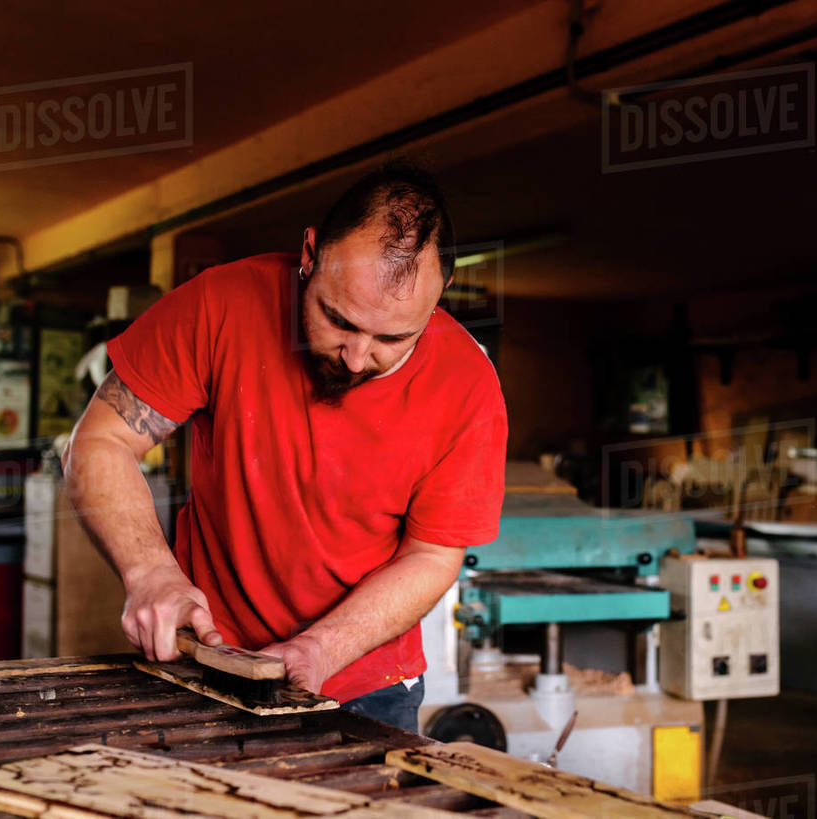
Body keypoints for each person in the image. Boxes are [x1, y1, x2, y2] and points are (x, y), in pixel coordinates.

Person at [62, 161, 507, 731]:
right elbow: (101, 441)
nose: (355, 356)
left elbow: (432, 555)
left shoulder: (467, 385)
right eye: (337, 318)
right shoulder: (220, 305)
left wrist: (323, 648)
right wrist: (149, 572)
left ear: (442, 291)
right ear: (309, 254)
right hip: (207, 661)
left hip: (367, 683)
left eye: (394, 339)